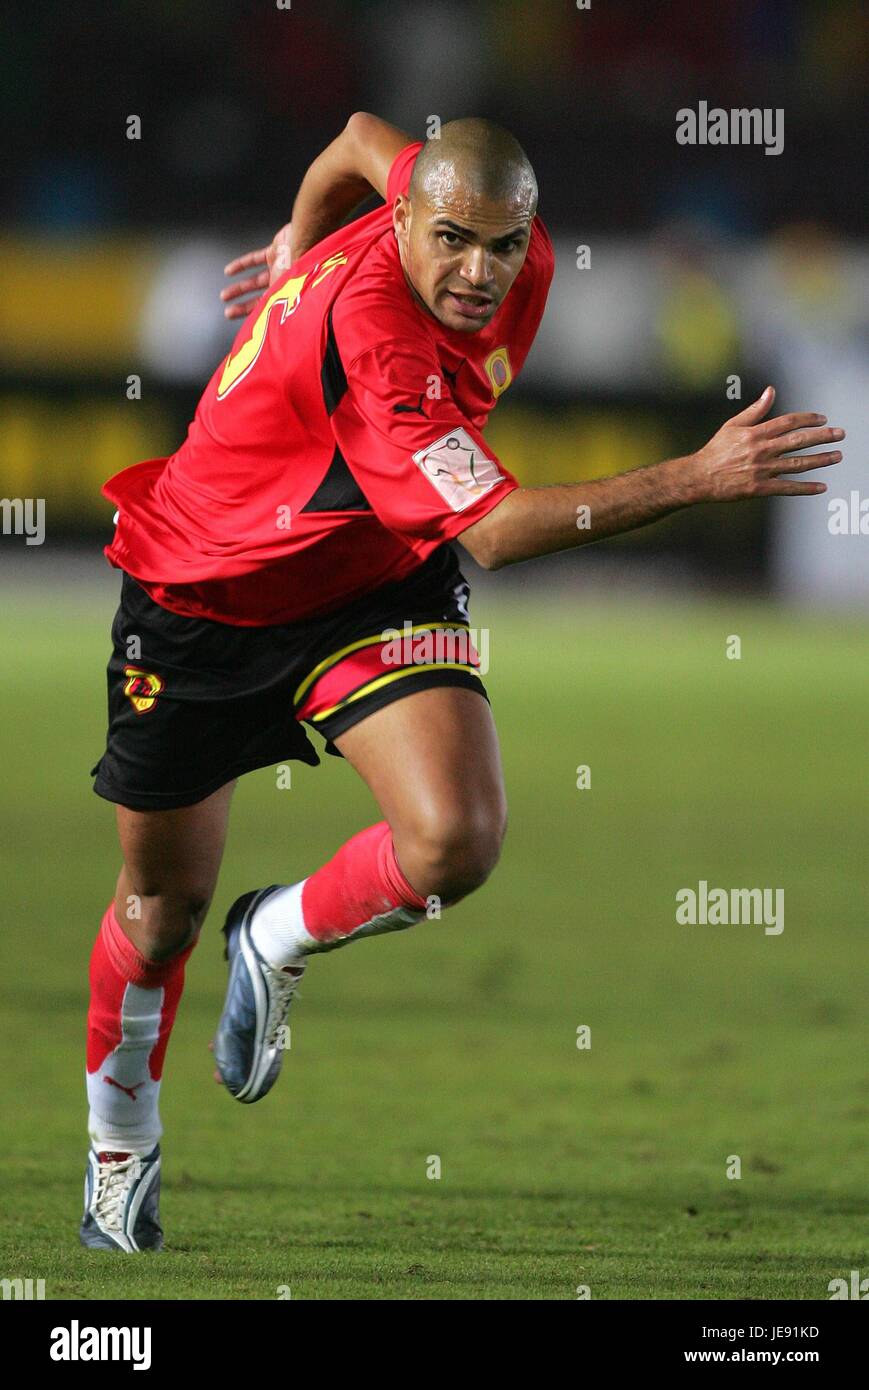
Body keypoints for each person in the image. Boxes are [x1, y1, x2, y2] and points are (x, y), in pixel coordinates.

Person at [82, 114, 844, 1251]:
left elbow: (350, 138)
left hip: (373, 580)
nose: (479, 272)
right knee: (157, 914)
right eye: (451, 241)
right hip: (204, 603)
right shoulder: (381, 340)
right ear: (404, 222)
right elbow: (492, 532)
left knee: (456, 840)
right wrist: (695, 474)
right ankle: (119, 1144)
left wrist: (295, 238)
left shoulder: (472, 223)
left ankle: (276, 935)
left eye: (501, 243)